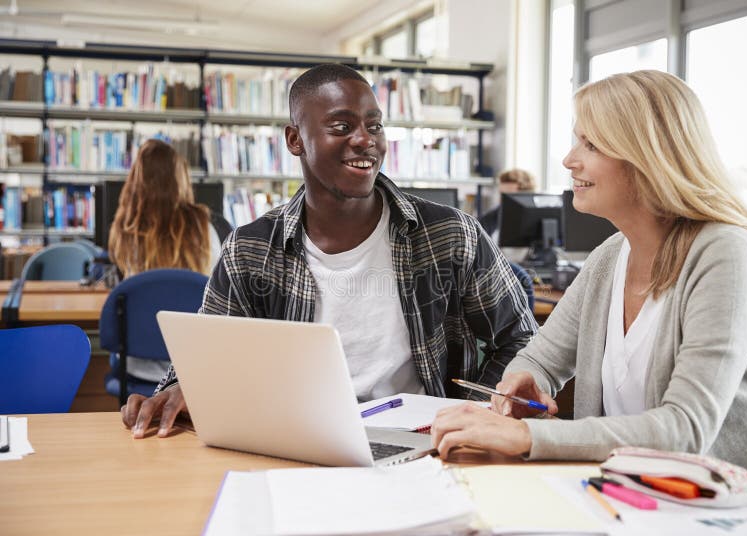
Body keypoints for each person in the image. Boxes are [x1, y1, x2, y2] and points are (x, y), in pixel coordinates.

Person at [431, 70, 747, 522]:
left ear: (646, 155)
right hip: (631, 501)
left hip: (741, 514)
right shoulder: (612, 256)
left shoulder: (727, 254)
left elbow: (686, 429)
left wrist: (528, 438)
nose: (569, 160)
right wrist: (526, 381)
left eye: (591, 144)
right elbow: (541, 358)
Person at [121, 64, 536, 439]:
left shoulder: (449, 234)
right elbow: (204, 360)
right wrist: (179, 389)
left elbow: (522, 339)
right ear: (295, 140)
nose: (364, 141)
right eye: (341, 127)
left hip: (425, 442)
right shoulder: (250, 249)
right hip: (292, 438)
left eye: (374, 127)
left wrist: (479, 410)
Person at [108, 138, 224, 383]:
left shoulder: (125, 230)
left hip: (137, 366)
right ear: (180, 178)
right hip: (192, 367)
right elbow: (218, 295)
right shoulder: (204, 227)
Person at [478, 168, 537, 237]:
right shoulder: (490, 219)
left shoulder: (538, 221)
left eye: (509, 195)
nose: (502, 200)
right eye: (501, 194)